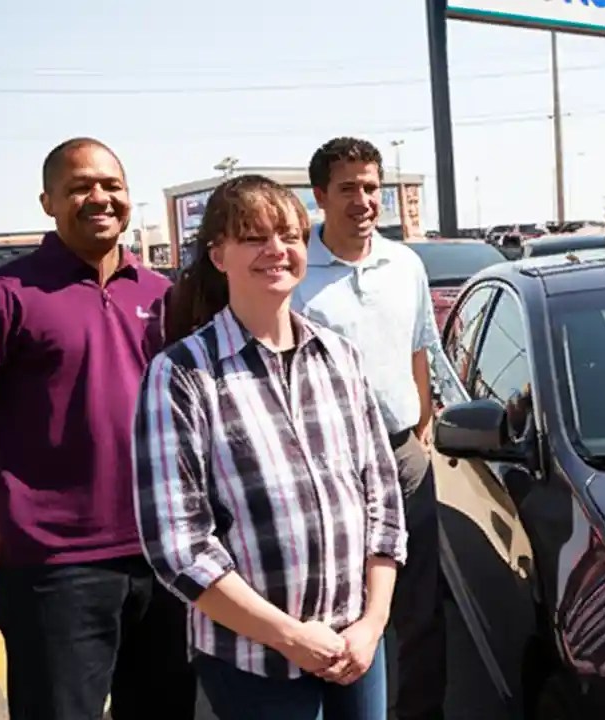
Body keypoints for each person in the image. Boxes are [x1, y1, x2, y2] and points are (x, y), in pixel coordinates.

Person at [136, 174, 407, 720]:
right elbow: (179, 546)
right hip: (254, 661)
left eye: (288, 234)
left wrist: (372, 623)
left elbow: (381, 498)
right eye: (254, 237)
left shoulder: (339, 356)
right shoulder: (183, 373)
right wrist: (288, 636)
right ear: (218, 255)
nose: (276, 250)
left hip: (356, 645)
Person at [0, 137, 196, 720]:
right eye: (79, 187)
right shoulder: (0, 298)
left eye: (111, 186)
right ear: (48, 202)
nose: (99, 198)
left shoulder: (164, 294)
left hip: (165, 553)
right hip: (55, 567)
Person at [292, 137, 446, 719]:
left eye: (371, 186)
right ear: (320, 196)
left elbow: (418, 351)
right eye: (348, 188)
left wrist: (423, 426)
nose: (363, 200)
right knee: (343, 607)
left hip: (403, 453)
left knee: (421, 607)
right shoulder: (299, 271)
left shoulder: (405, 263)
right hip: (327, 466)